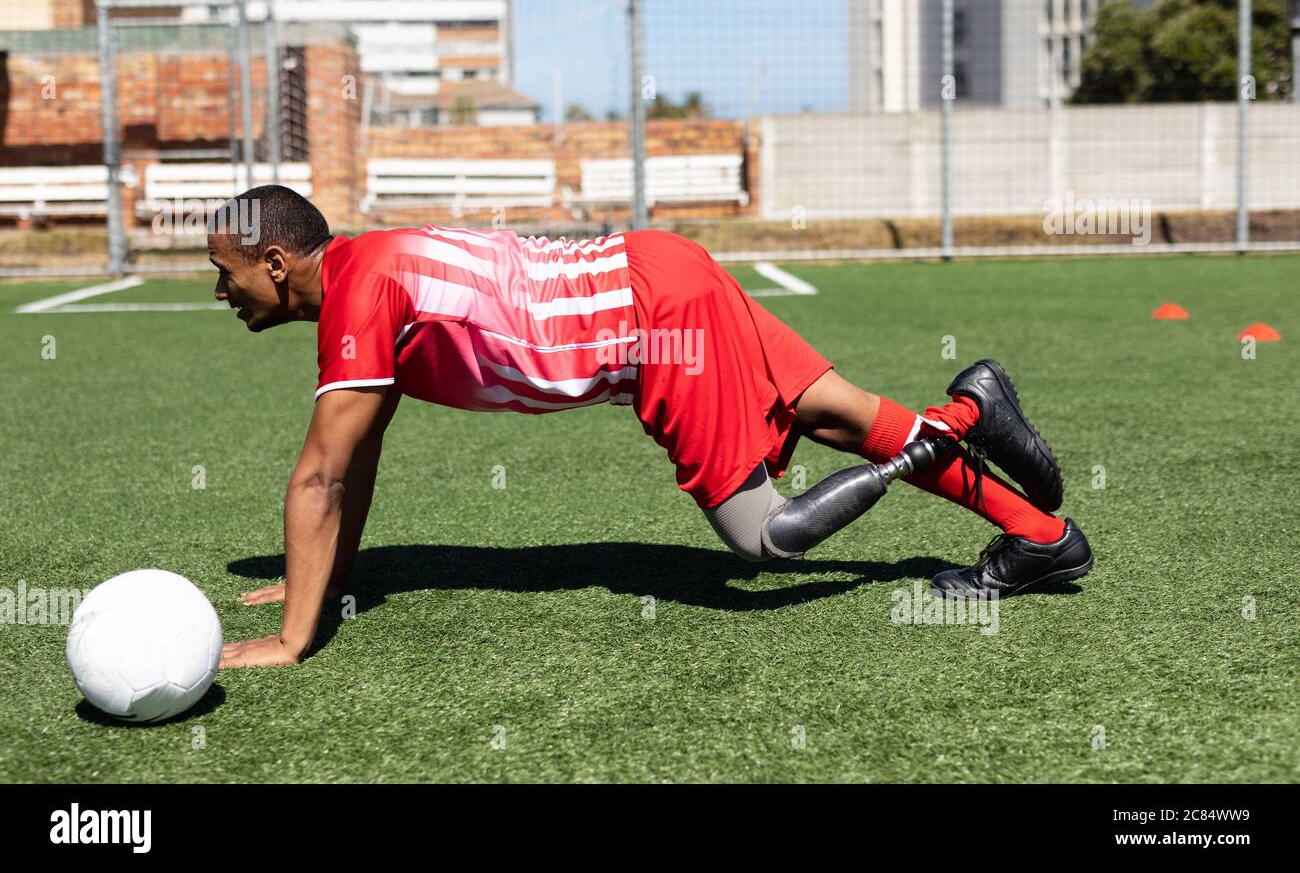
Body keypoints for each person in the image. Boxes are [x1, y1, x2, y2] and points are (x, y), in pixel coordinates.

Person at [210, 186, 1091, 669]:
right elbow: (355, 466)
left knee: (768, 540)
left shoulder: (359, 296)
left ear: (278, 262)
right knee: (845, 415)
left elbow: (321, 476)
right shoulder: (372, 265)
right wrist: (313, 580)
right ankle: (1040, 535)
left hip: (650, 321)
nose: (220, 293)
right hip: (659, 264)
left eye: (227, 272)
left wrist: (293, 640)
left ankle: (964, 414)